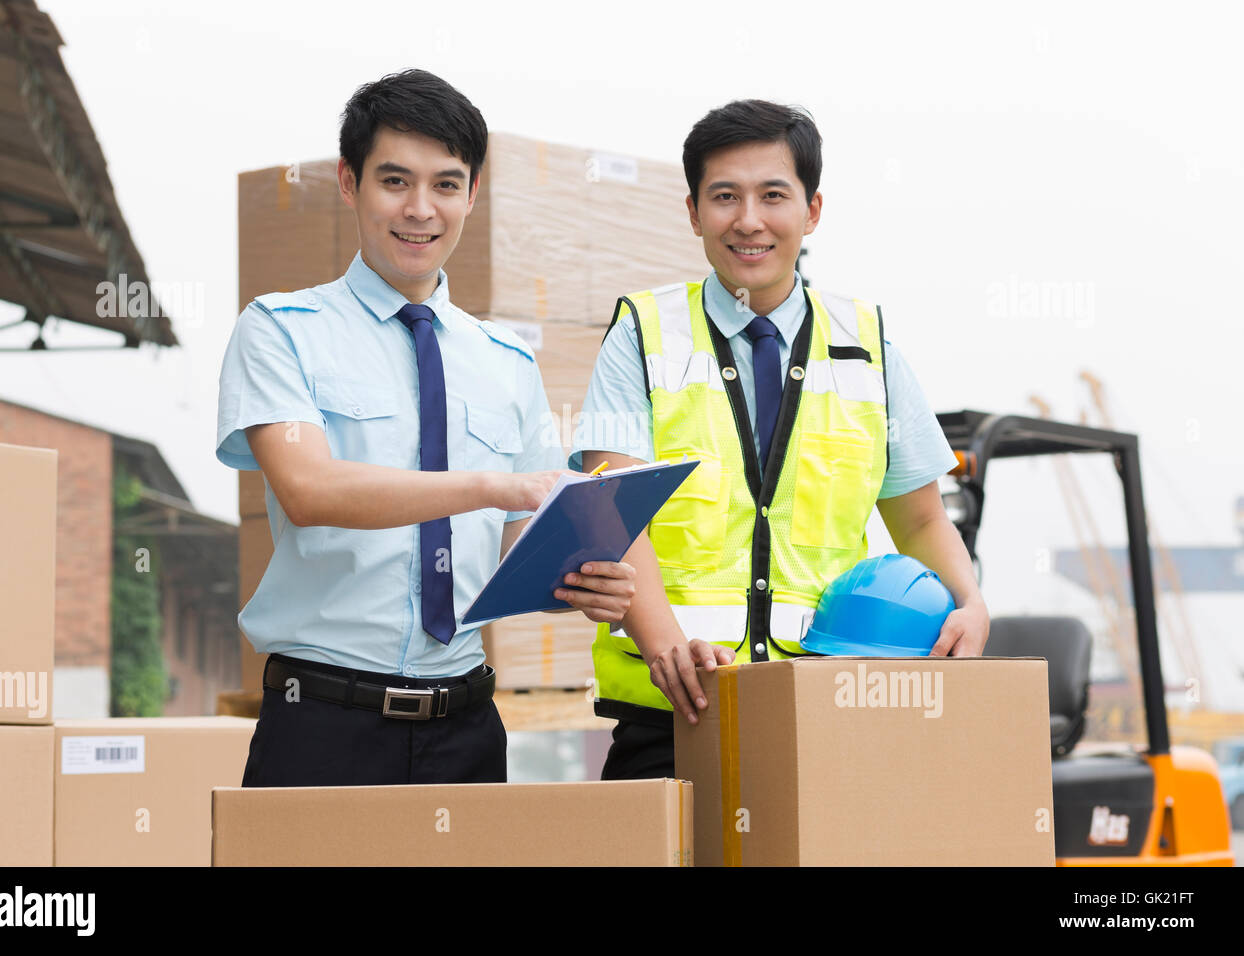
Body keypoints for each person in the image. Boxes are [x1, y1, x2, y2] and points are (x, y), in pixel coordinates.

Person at [215, 69, 635, 787]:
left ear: (473, 194)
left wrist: (584, 584)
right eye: (394, 181)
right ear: (349, 183)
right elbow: (309, 488)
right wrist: (489, 485)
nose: (420, 209)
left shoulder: (506, 362)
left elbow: (518, 541)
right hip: (321, 722)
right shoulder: (281, 332)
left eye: (445, 184)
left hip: (467, 729)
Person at [570, 99, 990, 780]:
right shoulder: (642, 335)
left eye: (773, 196)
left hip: (827, 710)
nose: (748, 220)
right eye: (725, 197)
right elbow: (612, 512)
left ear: (812, 210)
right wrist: (667, 647)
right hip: (671, 713)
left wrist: (970, 603)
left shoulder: (868, 346)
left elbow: (919, 517)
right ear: (693, 211)